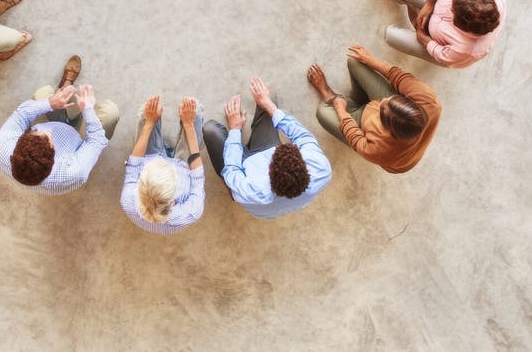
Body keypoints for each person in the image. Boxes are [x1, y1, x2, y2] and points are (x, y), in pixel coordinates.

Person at [203, 77, 331, 219]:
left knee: (210, 130)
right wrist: (267, 103)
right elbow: (302, 136)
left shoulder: (249, 193)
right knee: (269, 97)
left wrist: (235, 129)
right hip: (261, 153)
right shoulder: (321, 169)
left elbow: (231, 169)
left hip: (241, 171)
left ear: (269, 169)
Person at [0, 55, 119, 194]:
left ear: (17, 143)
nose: (48, 131)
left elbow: (22, 113)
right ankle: (67, 95)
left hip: (52, 120)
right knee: (111, 113)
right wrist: (87, 108)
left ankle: (65, 88)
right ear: (53, 161)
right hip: (78, 143)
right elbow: (96, 140)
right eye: (49, 139)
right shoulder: (74, 173)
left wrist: (50, 103)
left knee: (42, 94)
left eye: (34, 132)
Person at [307, 46, 441, 173]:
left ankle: (330, 95)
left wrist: (339, 107)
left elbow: (355, 137)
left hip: (387, 149)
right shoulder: (429, 102)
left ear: (386, 129)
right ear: (409, 102)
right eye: (390, 99)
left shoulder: (381, 152)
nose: (382, 100)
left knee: (322, 112)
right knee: (355, 62)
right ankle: (356, 102)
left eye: (381, 109)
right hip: (396, 123)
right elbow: (398, 76)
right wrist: (370, 60)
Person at [381, 0, 505, 68]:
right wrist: (429, 3)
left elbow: (441, 54)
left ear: (458, 25)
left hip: (441, 49)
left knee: (388, 35)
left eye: (452, 11)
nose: (450, 7)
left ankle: (412, 3)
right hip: (436, 3)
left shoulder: (467, 51)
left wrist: (425, 40)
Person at [120, 94, 204, 234]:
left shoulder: (129, 200)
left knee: (146, 111)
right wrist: (188, 125)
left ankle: (160, 136)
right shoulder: (190, 212)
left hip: (154, 156)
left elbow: (134, 165)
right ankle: (178, 138)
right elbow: (197, 176)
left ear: (140, 185)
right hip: (184, 164)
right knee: (195, 109)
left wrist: (150, 123)